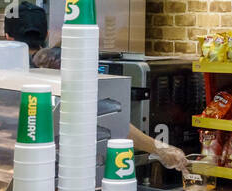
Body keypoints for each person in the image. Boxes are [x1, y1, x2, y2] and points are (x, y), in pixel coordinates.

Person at [29, 45, 188, 171]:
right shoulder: (42, 93)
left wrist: (162, 150)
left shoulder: (70, 90)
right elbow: (115, 126)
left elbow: (113, 123)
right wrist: (161, 150)